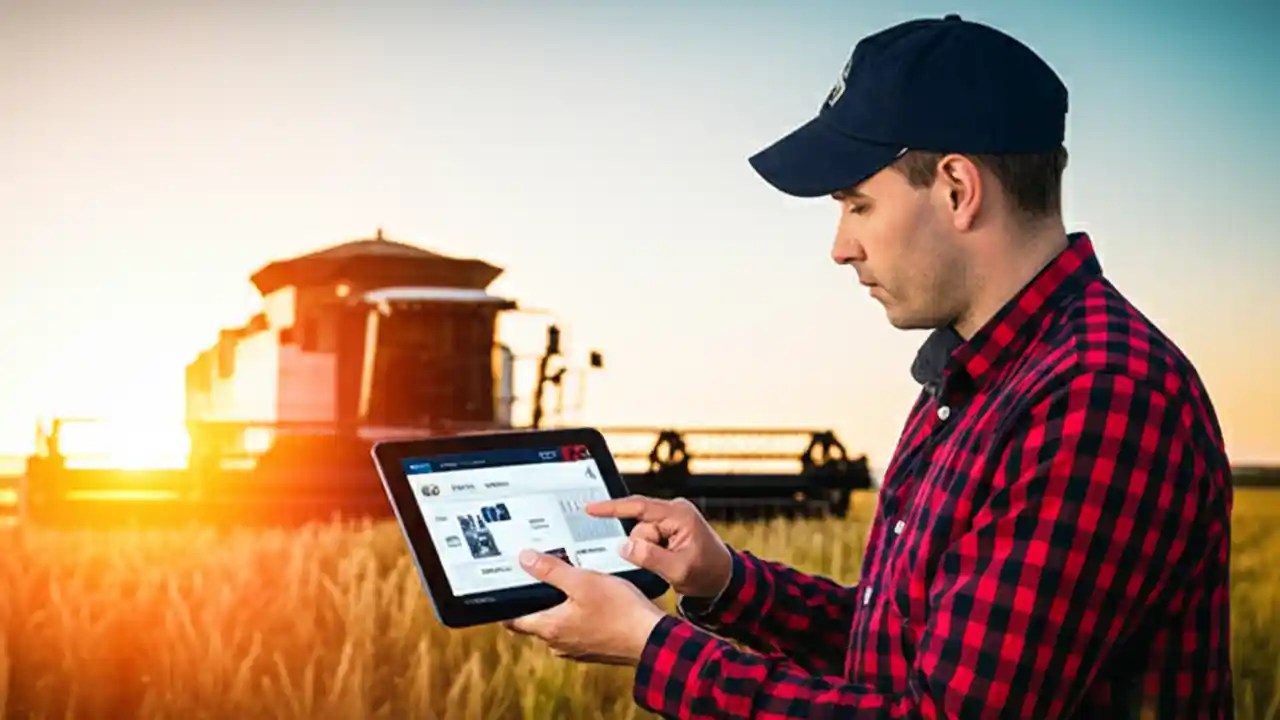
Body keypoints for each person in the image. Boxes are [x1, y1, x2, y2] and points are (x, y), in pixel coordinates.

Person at [503, 13, 1235, 719]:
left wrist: (651, 644)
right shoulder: (978, 378)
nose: (840, 246)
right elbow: (905, 657)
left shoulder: (1096, 397)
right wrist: (725, 580)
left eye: (857, 204)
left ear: (957, 189)